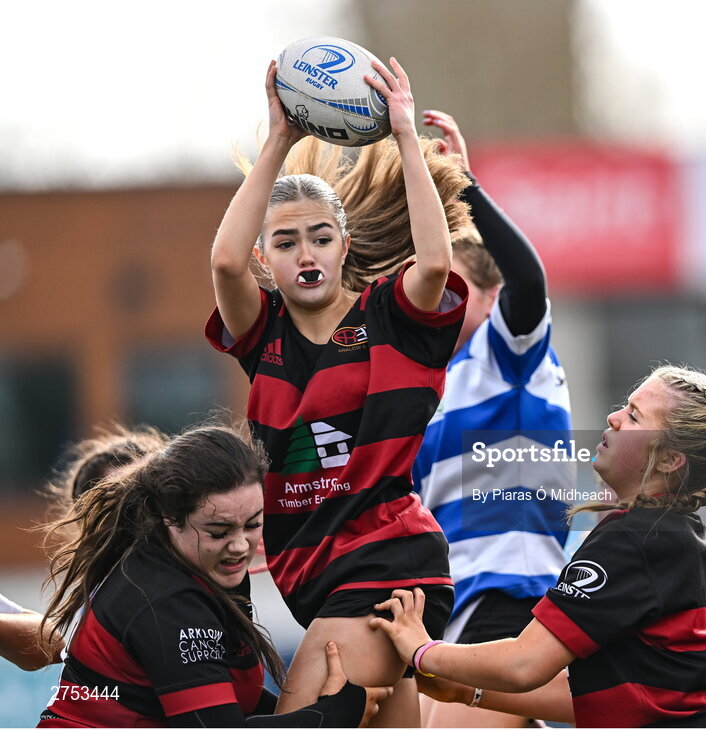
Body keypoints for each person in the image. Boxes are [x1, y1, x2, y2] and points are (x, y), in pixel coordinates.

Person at [204, 57, 471, 725]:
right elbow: (222, 261)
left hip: (385, 566)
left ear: (343, 245)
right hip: (311, 578)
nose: (306, 253)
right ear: (268, 261)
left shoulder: (390, 318)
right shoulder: (261, 335)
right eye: (286, 242)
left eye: (320, 238)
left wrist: (406, 135)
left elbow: (435, 262)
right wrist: (278, 138)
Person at [372, 365, 706, 728]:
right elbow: (603, 694)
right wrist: (467, 690)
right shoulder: (678, 538)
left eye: (634, 416)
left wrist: (423, 650)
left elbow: (525, 664)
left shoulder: (635, 538)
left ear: (669, 459)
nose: (614, 418)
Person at [36, 424, 389, 727]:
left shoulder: (212, 567)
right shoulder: (165, 600)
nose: (239, 546)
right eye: (219, 531)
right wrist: (334, 713)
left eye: (253, 524)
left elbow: (226, 701)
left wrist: (320, 710)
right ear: (168, 518)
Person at [411, 109, 572, 728]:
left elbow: (527, 279)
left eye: (450, 286)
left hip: (510, 596)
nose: (433, 297)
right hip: (458, 605)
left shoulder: (507, 353)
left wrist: (466, 187)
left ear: (486, 298)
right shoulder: (433, 389)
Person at [0, 426, 168, 672]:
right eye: (124, 502)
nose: (144, 514)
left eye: (153, 495)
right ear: (90, 520)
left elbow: (49, 643)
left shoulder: (202, 570)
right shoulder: (112, 593)